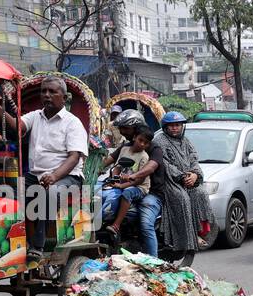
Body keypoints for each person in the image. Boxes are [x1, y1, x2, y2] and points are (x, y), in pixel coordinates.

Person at [19, 76, 88, 262]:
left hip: (67, 177)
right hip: (35, 175)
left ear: (63, 98)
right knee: (10, 191)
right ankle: (19, 241)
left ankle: (38, 244)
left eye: (52, 92)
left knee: (49, 194)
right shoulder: (35, 116)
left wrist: (55, 176)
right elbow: (17, 126)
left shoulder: (73, 123)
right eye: (44, 91)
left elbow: (74, 157)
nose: (47, 95)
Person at [149, 110, 207, 256]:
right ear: (165, 127)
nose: (175, 128)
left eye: (178, 125)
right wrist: (181, 176)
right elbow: (165, 164)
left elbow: (194, 160)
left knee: (201, 192)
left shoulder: (186, 141)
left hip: (188, 179)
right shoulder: (160, 141)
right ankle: (182, 238)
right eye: (171, 125)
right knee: (181, 198)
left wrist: (194, 175)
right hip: (169, 180)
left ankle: (198, 232)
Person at [102, 126, 154, 238]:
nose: (142, 144)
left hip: (140, 187)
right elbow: (117, 167)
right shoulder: (124, 150)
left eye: (146, 143)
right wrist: (114, 178)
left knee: (127, 193)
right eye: (140, 140)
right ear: (135, 137)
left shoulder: (144, 156)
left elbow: (140, 180)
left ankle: (116, 225)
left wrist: (121, 185)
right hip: (122, 182)